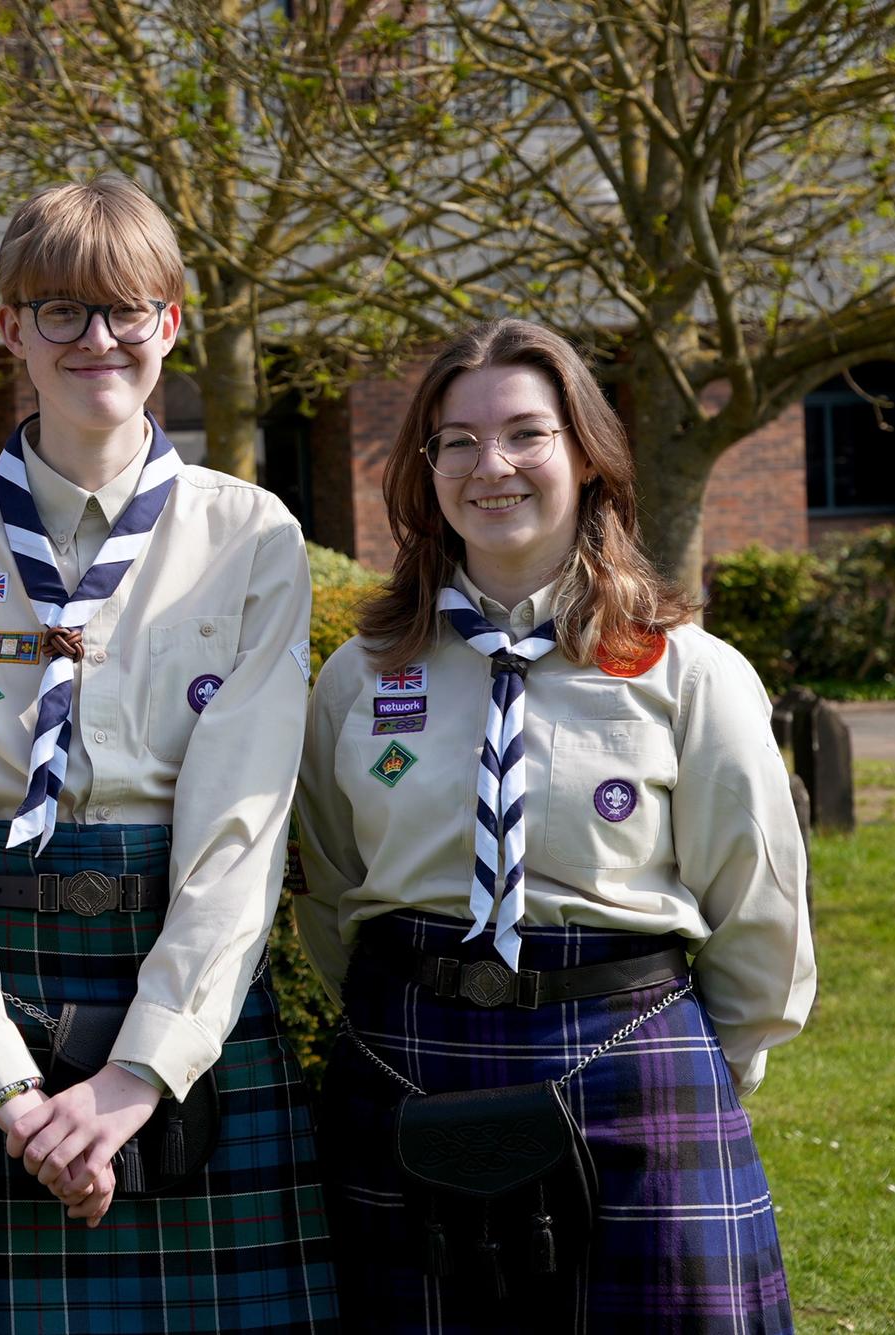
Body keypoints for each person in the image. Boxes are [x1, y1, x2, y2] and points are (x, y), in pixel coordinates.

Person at [0, 175, 339, 1333]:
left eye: (128, 309)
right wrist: (0, 1086)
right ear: (8, 328)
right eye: (61, 311)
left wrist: (141, 1070)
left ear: (169, 324)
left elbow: (241, 833)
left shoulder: (251, 538)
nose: (98, 339)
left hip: (183, 995)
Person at [296, 318, 815, 1332]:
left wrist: (708, 1063)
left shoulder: (685, 673)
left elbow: (756, 896)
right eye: (454, 441)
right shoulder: (357, 678)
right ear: (423, 468)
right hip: (409, 1063)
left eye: (525, 434)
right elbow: (326, 883)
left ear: (584, 453)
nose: (490, 466)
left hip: (632, 1070)